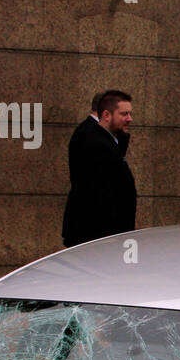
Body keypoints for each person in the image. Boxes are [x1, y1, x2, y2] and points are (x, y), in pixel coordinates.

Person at [61, 90, 137, 247]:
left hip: (103, 232)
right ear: (106, 115)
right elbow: (101, 191)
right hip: (97, 232)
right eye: (124, 114)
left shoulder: (106, 138)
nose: (129, 119)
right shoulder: (93, 140)